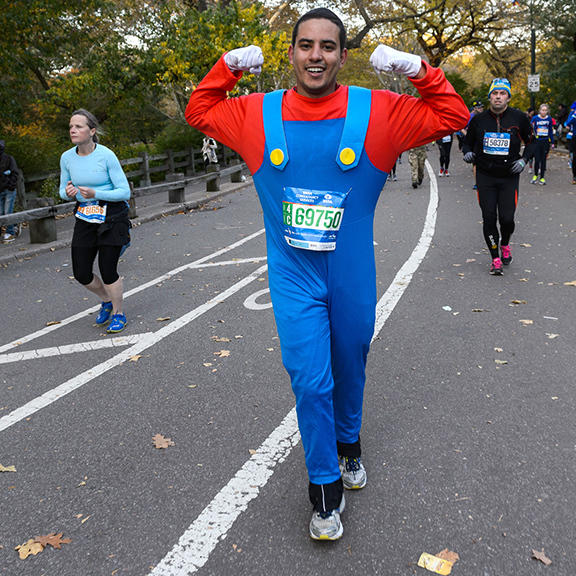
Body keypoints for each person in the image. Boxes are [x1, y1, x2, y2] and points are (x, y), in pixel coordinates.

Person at [185, 8, 468, 541]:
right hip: (293, 274)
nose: (316, 56)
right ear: (292, 51)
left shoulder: (379, 111)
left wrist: (416, 68)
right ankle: (323, 489)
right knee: (310, 379)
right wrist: (227, 67)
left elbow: (453, 114)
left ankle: (349, 441)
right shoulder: (253, 113)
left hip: (352, 271)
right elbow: (199, 110)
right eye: (306, 45)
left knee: (350, 362)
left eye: (328, 47)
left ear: (341, 55)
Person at [59, 109, 132, 333]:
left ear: (92, 131)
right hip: (85, 215)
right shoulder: (66, 157)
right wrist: (68, 192)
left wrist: (96, 193)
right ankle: (106, 300)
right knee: (81, 271)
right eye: (71, 126)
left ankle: (119, 313)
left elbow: (124, 191)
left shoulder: (106, 155)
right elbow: (62, 190)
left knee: (107, 268)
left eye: (79, 126)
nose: (73, 129)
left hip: (112, 215)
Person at [461, 78, 534, 275]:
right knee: (489, 218)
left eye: (502, 93)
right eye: (495, 93)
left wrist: (523, 160)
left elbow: (532, 142)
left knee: (507, 219)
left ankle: (506, 244)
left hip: (509, 176)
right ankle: (495, 259)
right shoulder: (479, 120)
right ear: (490, 97)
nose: (498, 97)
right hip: (485, 176)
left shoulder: (519, 118)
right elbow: (466, 143)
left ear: (508, 97)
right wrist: (467, 153)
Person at [0, 138, 20, 242]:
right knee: (1, 214)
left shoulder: (8, 158)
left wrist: (11, 185)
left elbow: (15, 172)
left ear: (1, 146)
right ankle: (15, 224)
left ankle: (10, 233)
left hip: (8, 189)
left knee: (8, 211)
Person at [530, 103, 555, 185]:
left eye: (545, 110)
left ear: (547, 111)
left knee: (543, 160)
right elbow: (530, 127)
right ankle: (535, 175)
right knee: (536, 159)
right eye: (542, 110)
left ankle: (542, 178)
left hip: (545, 141)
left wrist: (552, 142)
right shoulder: (535, 118)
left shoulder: (549, 119)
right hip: (537, 140)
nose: (544, 112)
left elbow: (550, 131)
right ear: (539, 111)